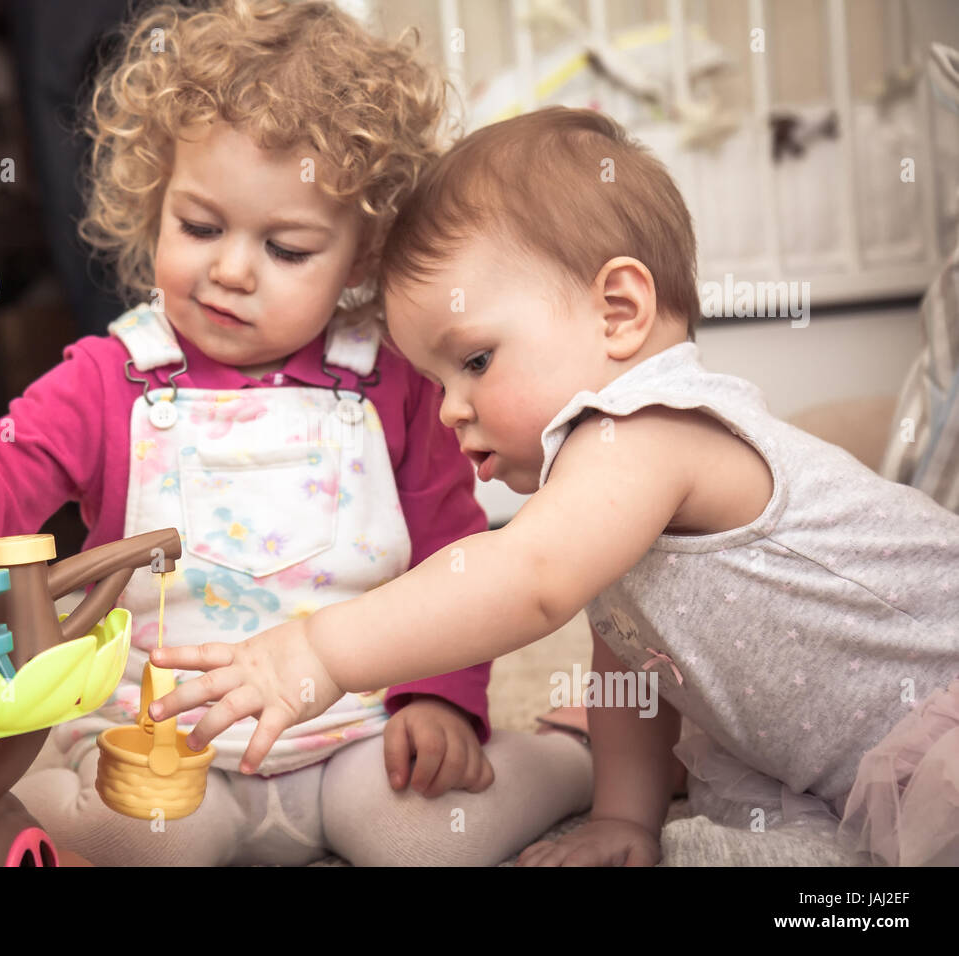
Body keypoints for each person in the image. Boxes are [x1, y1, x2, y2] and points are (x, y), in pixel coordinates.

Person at [0, 0, 592, 866]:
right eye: (199, 227)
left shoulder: (393, 384)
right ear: (155, 201)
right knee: (141, 842)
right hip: (160, 744)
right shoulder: (113, 375)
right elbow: (8, 460)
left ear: (363, 253)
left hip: (348, 736)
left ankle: (572, 754)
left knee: (418, 840)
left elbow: (452, 556)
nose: (229, 269)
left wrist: (442, 698)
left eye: (287, 248)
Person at [148, 106, 959, 867]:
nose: (451, 411)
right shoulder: (601, 505)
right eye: (435, 382)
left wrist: (321, 648)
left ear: (618, 311)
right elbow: (634, 670)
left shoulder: (644, 427)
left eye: (473, 362)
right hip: (834, 759)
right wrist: (623, 817)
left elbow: (527, 582)